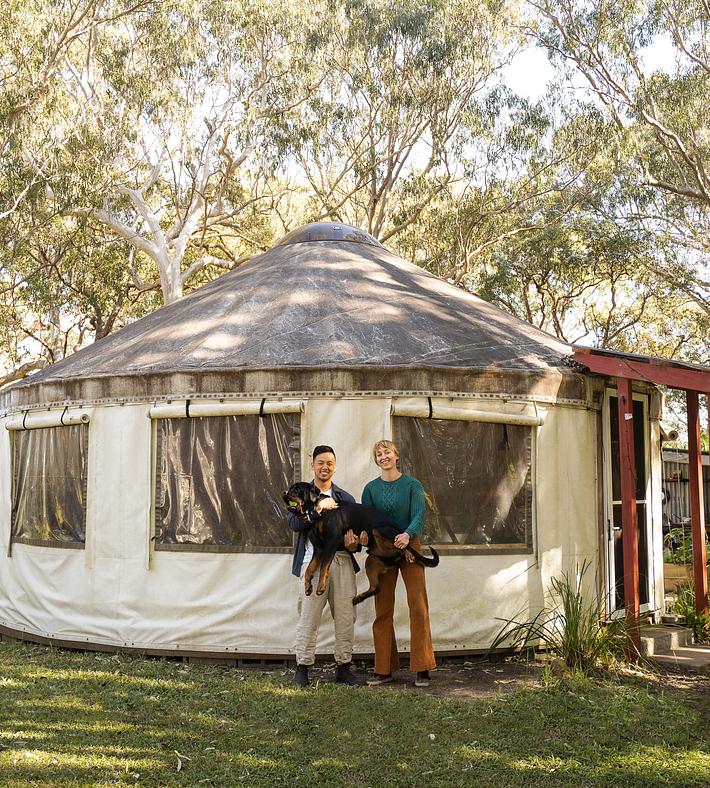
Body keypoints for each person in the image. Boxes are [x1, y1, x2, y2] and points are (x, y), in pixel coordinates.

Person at [361, 439, 435, 687]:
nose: (383, 456)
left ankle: (422, 667)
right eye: (379, 454)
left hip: (410, 545)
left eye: (387, 452)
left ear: (396, 455)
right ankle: (384, 668)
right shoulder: (370, 489)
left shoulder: (412, 485)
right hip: (382, 550)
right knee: (383, 607)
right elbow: (368, 519)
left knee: (418, 605)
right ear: (376, 460)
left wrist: (408, 535)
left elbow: (418, 515)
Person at [288, 445, 364, 687]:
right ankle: (302, 667)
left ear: (335, 466)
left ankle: (343, 666)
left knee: (345, 615)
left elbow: (355, 537)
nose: (325, 467)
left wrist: (355, 545)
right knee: (308, 616)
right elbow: (294, 523)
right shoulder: (300, 493)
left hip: (340, 562)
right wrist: (319, 508)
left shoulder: (345, 498)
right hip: (312, 560)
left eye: (330, 463)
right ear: (312, 464)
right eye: (321, 462)